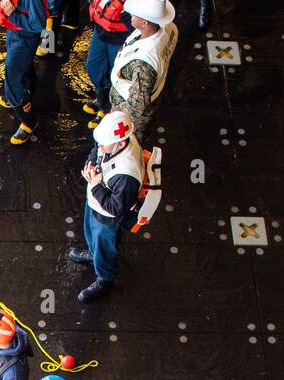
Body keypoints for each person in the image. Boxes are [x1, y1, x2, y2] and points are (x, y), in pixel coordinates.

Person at [68, 110, 146, 302]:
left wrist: (94, 185)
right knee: (90, 233)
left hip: (107, 216)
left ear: (120, 144)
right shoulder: (113, 141)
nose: (100, 147)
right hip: (96, 202)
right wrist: (91, 163)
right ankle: (94, 254)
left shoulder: (127, 175)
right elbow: (96, 149)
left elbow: (116, 208)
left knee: (104, 245)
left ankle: (105, 278)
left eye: (104, 145)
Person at [107, 0, 177, 141]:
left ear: (145, 23)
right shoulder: (169, 28)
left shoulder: (143, 64)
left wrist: (115, 115)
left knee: (125, 148)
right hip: (153, 97)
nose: (131, 15)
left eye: (136, 15)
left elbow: (136, 107)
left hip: (131, 121)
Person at [0, 0, 50, 145]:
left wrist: (12, 15)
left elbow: (38, 24)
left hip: (24, 35)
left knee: (12, 79)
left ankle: (29, 121)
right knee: (23, 66)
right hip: (14, 30)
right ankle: (28, 91)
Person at [81, 1, 130, 126]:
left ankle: (108, 108)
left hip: (122, 35)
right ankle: (103, 98)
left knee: (116, 74)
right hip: (101, 29)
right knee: (93, 68)